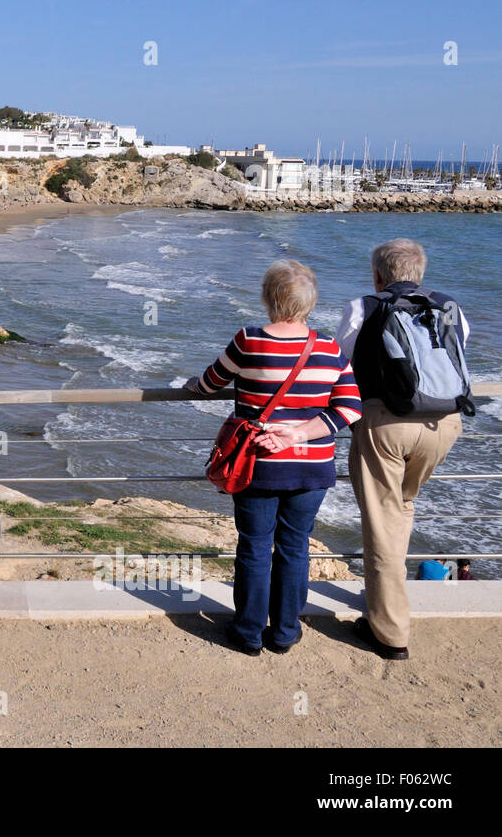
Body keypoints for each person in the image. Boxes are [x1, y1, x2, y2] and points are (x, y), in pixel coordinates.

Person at [185, 260, 362, 656]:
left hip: (256, 466)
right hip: (310, 467)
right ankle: (284, 633)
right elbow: (350, 408)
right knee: (295, 546)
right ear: (311, 303)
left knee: (253, 546)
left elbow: (212, 382)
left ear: (268, 299)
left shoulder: (249, 340)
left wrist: (193, 385)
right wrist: (299, 433)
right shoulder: (329, 348)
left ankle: (248, 632)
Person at [338, 239, 470, 660]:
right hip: (443, 424)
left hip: (385, 423)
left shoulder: (364, 306)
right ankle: (385, 598)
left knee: (381, 520)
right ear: (421, 273)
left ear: (377, 275)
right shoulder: (449, 306)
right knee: (402, 507)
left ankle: (390, 633)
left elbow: (342, 363)